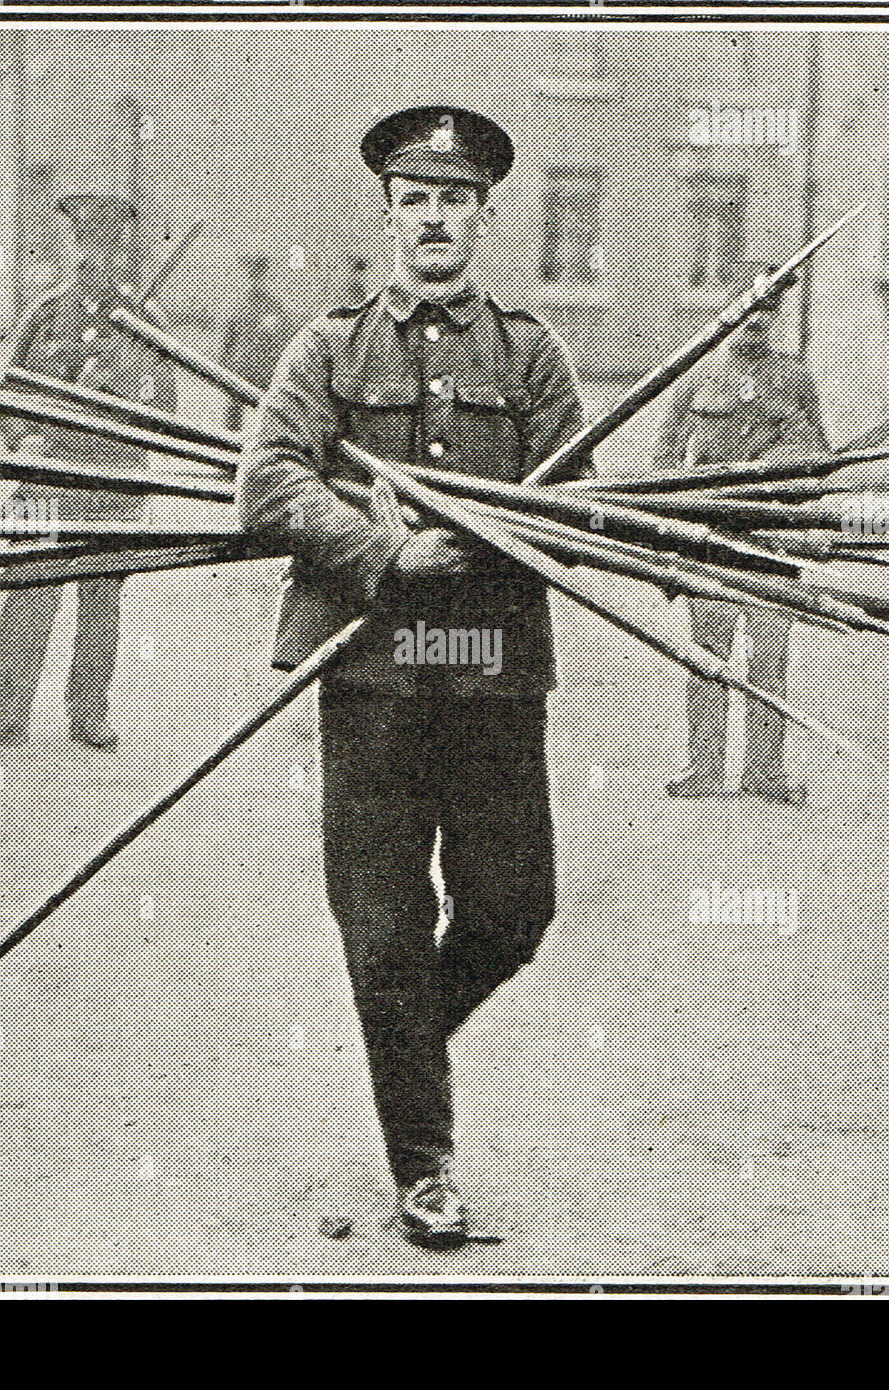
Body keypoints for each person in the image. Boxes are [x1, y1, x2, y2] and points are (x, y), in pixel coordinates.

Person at [237, 107, 592, 1247]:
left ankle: (402, 1048)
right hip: (374, 674)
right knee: (383, 926)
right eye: (415, 200)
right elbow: (269, 486)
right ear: (387, 214)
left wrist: (477, 539)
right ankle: (424, 1163)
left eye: (455, 200)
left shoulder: (531, 353)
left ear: (484, 216)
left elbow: (578, 508)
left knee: (512, 910)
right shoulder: (328, 348)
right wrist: (385, 549)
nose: (434, 219)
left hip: (489, 673)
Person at [0, 194, 177, 750]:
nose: (97, 256)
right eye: (88, 243)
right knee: (25, 596)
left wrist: (125, 403)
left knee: (101, 602)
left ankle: (88, 716)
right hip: (45, 476)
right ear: (74, 247)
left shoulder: (145, 327)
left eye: (112, 245)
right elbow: (11, 389)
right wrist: (25, 439)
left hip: (113, 481)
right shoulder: (49, 313)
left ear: (128, 252)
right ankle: (6, 714)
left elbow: (170, 415)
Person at [652, 262, 830, 804]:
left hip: (770, 538)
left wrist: (781, 475)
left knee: (769, 658)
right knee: (707, 655)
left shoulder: (794, 378)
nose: (756, 319)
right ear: (730, 312)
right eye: (748, 307)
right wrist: (667, 531)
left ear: (777, 315)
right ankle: (703, 768)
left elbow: (817, 458)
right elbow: (661, 463)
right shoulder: (696, 378)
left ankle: (765, 772)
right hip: (709, 537)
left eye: (768, 309)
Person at [218, 254, 299, 431]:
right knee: (232, 414)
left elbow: (289, 341)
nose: (255, 281)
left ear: (265, 276)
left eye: (258, 276)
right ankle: (229, 448)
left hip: (265, 371)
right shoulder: (236, 305)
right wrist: (223, 365)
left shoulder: (276, 307)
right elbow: (227, 341)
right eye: (251, 275)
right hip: (240, 368)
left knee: (271, 415)